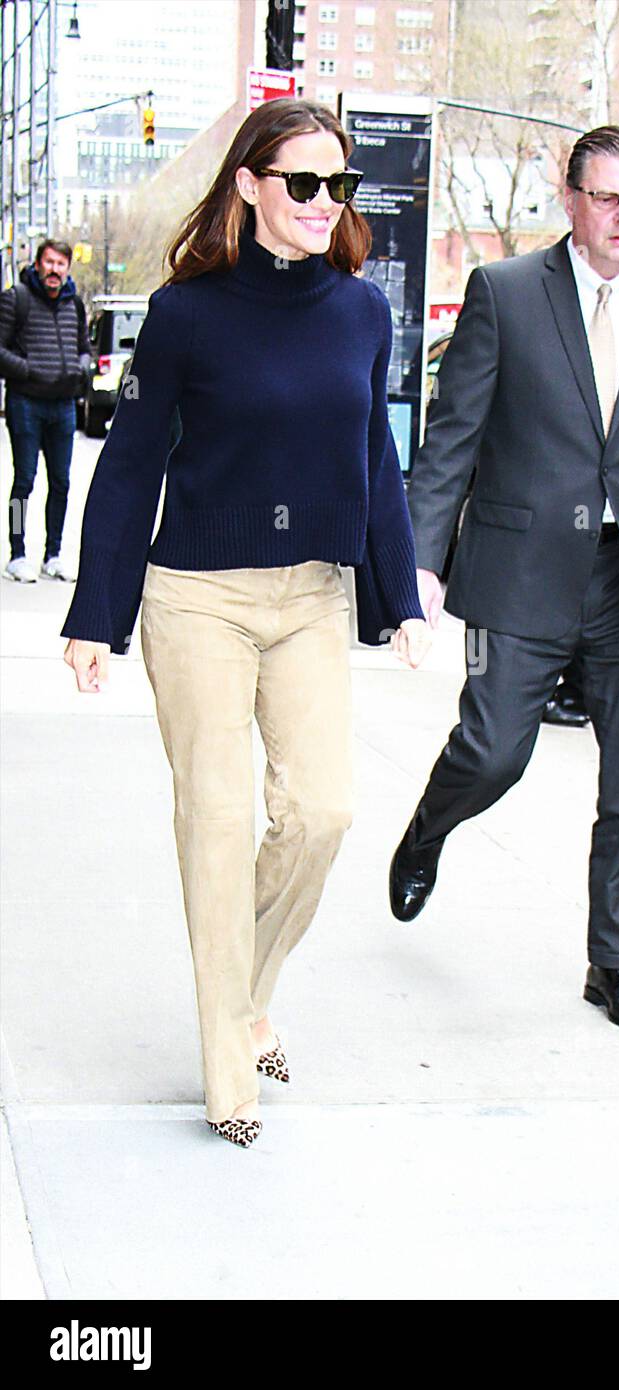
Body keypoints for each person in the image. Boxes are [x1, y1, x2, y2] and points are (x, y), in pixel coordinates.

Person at [60, 98, 430, 1148]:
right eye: (302, 183)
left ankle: (249, 991)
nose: (324, 203)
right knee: (217, 827)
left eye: (337, 185)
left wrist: (398, 595)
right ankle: (231, 1069)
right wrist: (99, 612)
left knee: (323, 814)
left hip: (311, 593)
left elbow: (374, 463)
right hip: (198, 600)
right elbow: (130, 465)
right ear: (250, 187)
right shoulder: (187, 314)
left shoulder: (361, 312)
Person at [390, 126, 619, 1032]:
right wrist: (421, 568)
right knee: (494, 753)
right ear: (572, 200)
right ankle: (431, 828)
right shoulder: (507, 294)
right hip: (519, 573)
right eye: (609, 198)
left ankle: (615, 964)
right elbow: (453, 443)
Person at [0, 239, 90, 582]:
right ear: (38, 264)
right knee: (24, 481)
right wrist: (28, 369)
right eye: (49, 263)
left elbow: (84, 347)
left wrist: (82, 368)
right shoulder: (16, 298)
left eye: (61, 264)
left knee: (61, 483)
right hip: (26, 402)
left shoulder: (74, 304)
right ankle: (17, 553)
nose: (54, 270)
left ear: (67, 268)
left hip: (64, 405)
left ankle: (53, 553)